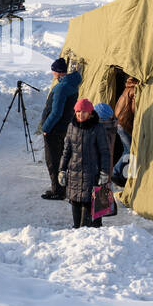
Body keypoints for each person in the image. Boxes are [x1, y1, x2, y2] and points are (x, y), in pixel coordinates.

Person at [59, 98, 111, 228]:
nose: (80, 115)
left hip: (91, 174)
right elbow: (66, 151)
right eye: (78, 112)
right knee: (75, 204)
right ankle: (77, 231)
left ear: (90, 113)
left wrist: (104, 172)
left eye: (83, 112)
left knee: (89, 208)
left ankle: (89, 234)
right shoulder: (71, 127)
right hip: (74, 175)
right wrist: (62, 170)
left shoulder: (97, 128)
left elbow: (105, 152)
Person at [39, 57, 83, 200]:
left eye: (53, 71)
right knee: (62, 158)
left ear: (58, 72)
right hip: (64, 127)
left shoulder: (62, 87)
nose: (52, 73)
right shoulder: (71, 84)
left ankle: (58, 191)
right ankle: (63, 187)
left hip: (55, 129)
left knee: (53, 160)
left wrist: (46, 127)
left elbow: (56, 112)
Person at [113, 75, 138, 182]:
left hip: (119, 121)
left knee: (128, 149)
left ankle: (123, 176)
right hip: (124, 123)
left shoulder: (127, 88)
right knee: (130, 151)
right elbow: (134, 110)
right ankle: (115, 172)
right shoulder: (134, 90)